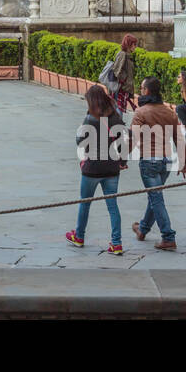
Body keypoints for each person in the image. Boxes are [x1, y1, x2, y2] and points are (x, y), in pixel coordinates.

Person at [130, 76, 186, 251]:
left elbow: (132, 139)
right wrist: (184, 164)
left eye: (142, 88)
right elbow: (179, 140)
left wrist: (120, 159)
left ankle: (168, 236)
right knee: (155, 197)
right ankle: (142, 229)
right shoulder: (169, 112)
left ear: (147, 91)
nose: (141, 91)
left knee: (156, 198)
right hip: (166, 161)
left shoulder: (140, 112)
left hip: (149, 161)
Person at [65, 85, 127, 255]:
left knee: (85, 203)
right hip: (112, 167)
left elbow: (80, 142)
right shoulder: (115, 117)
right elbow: (123, 142)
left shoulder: (90, 119)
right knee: (113, 206)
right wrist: (123, 161)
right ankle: (117, 243)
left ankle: (79, 236)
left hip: (92, 168)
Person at [110, 34, 139, 114]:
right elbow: (117, 71)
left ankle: (116, 125)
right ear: (129, 44)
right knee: (118, 111)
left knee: (119, 111)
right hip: (120, 89)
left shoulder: (127, 55)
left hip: (123, 88)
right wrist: (125, 80)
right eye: (134, 44)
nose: (135, 46)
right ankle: (116, 126)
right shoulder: (123, 54)